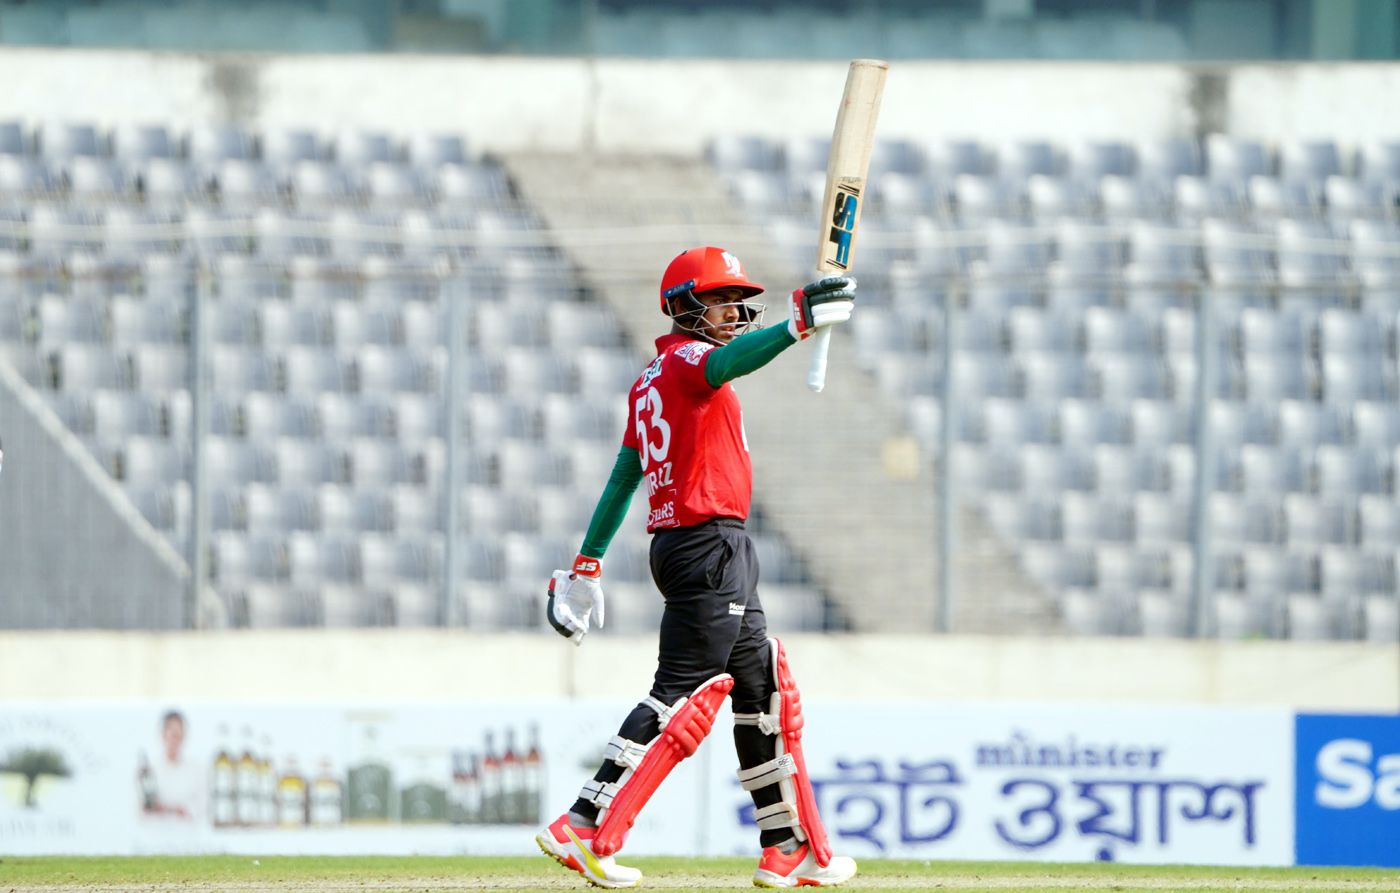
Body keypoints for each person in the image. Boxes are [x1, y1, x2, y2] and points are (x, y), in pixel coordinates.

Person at [536, 247, 858, 889]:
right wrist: (797, 323)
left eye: (738, 298)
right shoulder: (688, 362)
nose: (734, 309)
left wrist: (587, 563)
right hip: (709, 543)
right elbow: (727, 362)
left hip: (697, 546)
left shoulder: (650, 378)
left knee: (762, 687)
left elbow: (626, 474)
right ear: (683, 305)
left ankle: (783, 846)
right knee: (681, 693)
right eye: (718, 298)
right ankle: (584, 823)